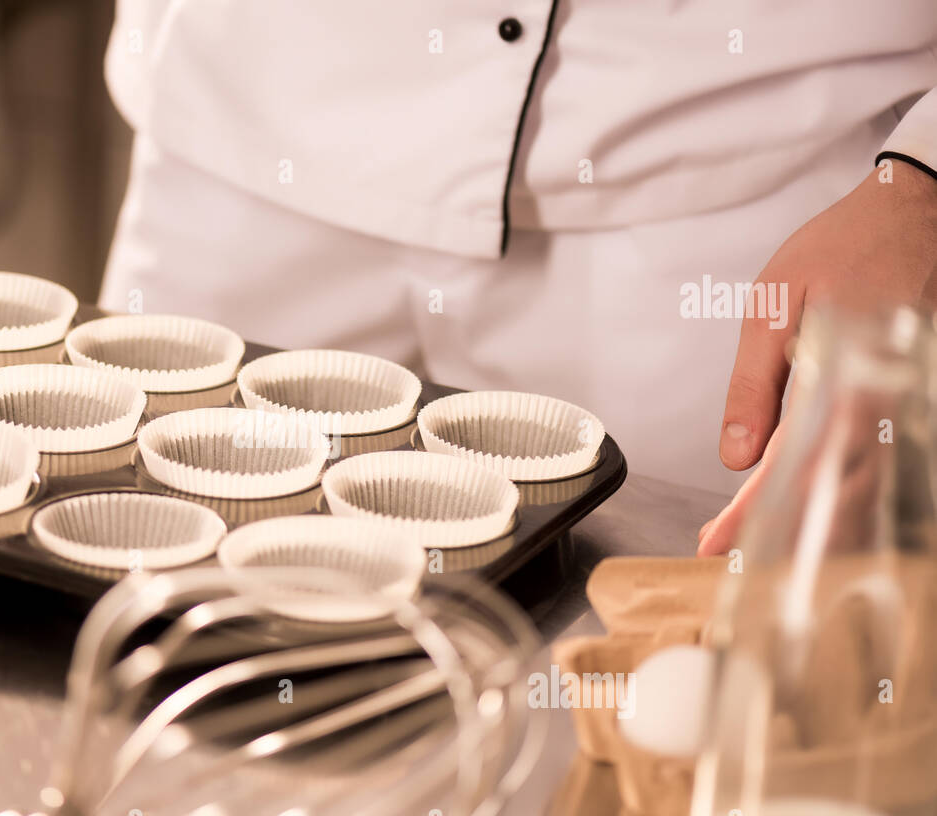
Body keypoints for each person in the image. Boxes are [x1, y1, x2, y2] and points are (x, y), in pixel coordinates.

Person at [96, 1, 937, 555]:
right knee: (139, 634)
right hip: (245, 122)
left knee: (665, 712)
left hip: (741, 186)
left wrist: (924, 181)